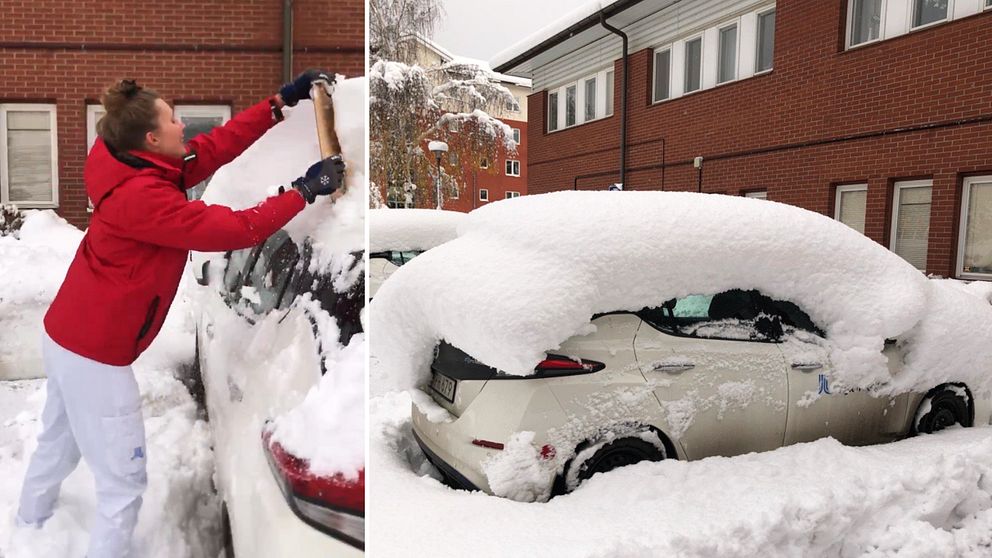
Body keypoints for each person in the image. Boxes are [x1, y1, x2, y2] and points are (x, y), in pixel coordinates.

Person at [14, 70, 344, 558]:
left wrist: (280, 103)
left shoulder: (128, 161)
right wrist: (303, 191)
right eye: (173, 119)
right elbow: (235, 228)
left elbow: (213, 148)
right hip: (95, 355)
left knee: (59, 443)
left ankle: (28, 523)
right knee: (123, 485)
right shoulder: (144, 199)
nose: (182, 124)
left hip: (68, 335)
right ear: (151, 138)